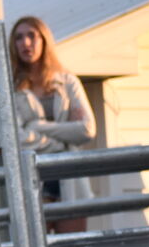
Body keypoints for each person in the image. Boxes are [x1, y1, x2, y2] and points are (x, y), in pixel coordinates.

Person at [8, 15, 97, 223]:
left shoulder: (67, 82)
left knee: (73, 242)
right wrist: (62, 140)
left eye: (32, 35)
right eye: (19, 37)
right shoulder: (10, 89)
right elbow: (16, 138)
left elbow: (87, 129)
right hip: (33, 178)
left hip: (69, 175)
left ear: (44, 40)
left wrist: (36, 126)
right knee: (38, 241)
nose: (26, 43)